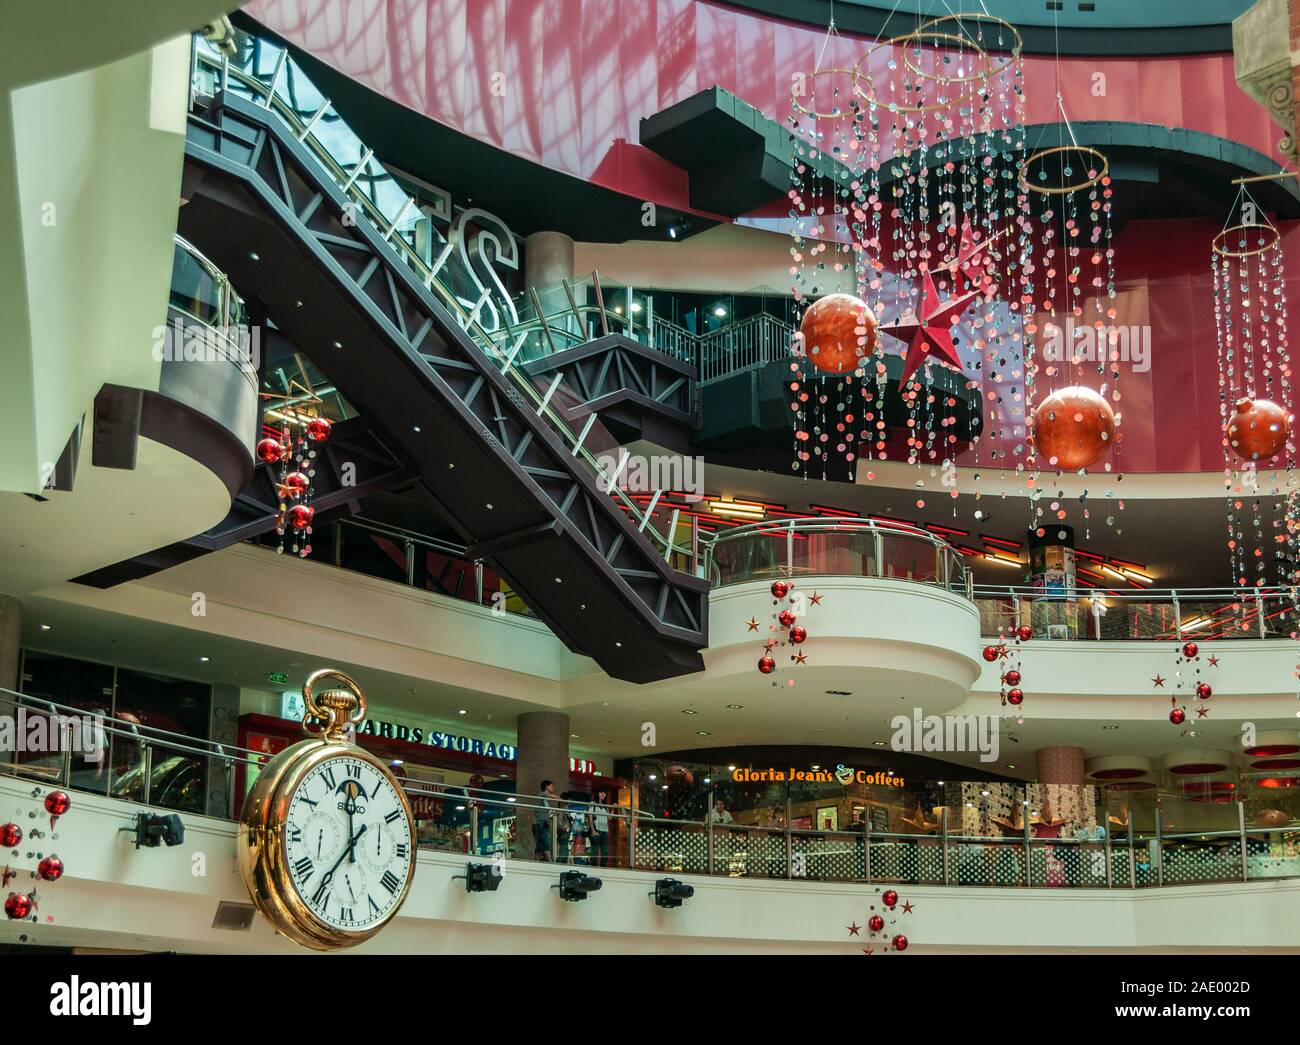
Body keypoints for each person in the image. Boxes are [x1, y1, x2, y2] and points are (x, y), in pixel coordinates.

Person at [588, 787, 612, 867]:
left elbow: (609, 817)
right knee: (595, 850)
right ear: (597, 793)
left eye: (604, 793)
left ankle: (603, 867)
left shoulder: (605, 806)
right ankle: (594, 867)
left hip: (605, 830)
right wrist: (593, 830)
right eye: (601, 792)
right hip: (596, 829)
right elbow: (590, 817)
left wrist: (614, 809)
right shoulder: (593, 803)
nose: (603, 794)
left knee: (604, 851)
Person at [533, 779, 556, 862]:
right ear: (546, 787)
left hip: (541, 823)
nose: (553, 789)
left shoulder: (544, 799)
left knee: (541, 844)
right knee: (546, 843)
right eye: (551, 786)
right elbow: (553, 796)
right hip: (541, 823)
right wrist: (562, 799)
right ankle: (549, 861)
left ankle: (538, 860)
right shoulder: (543, 794)